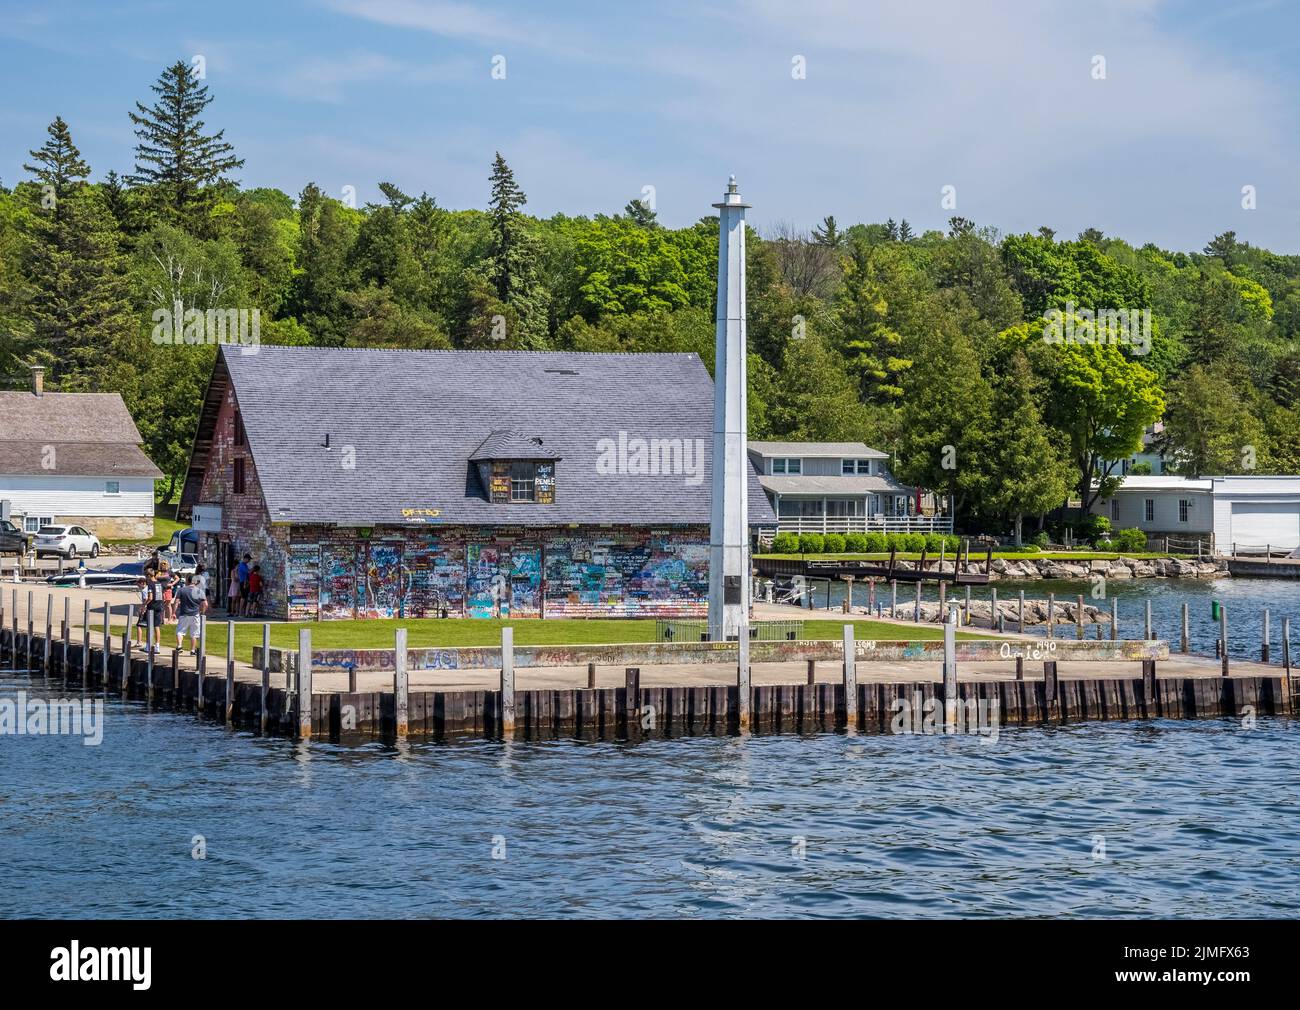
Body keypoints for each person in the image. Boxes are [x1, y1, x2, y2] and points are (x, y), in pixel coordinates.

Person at [174, 574, 208, 655]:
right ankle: (192, 650)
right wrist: (202, 612)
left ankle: (179, 646)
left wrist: (173, 613)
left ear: (187, 580)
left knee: (180, 631)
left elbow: (176, 602)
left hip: (184, 613)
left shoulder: (181, 590)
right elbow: (205, 604)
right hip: (195, 614)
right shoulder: (200, 591)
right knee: (194, 633)